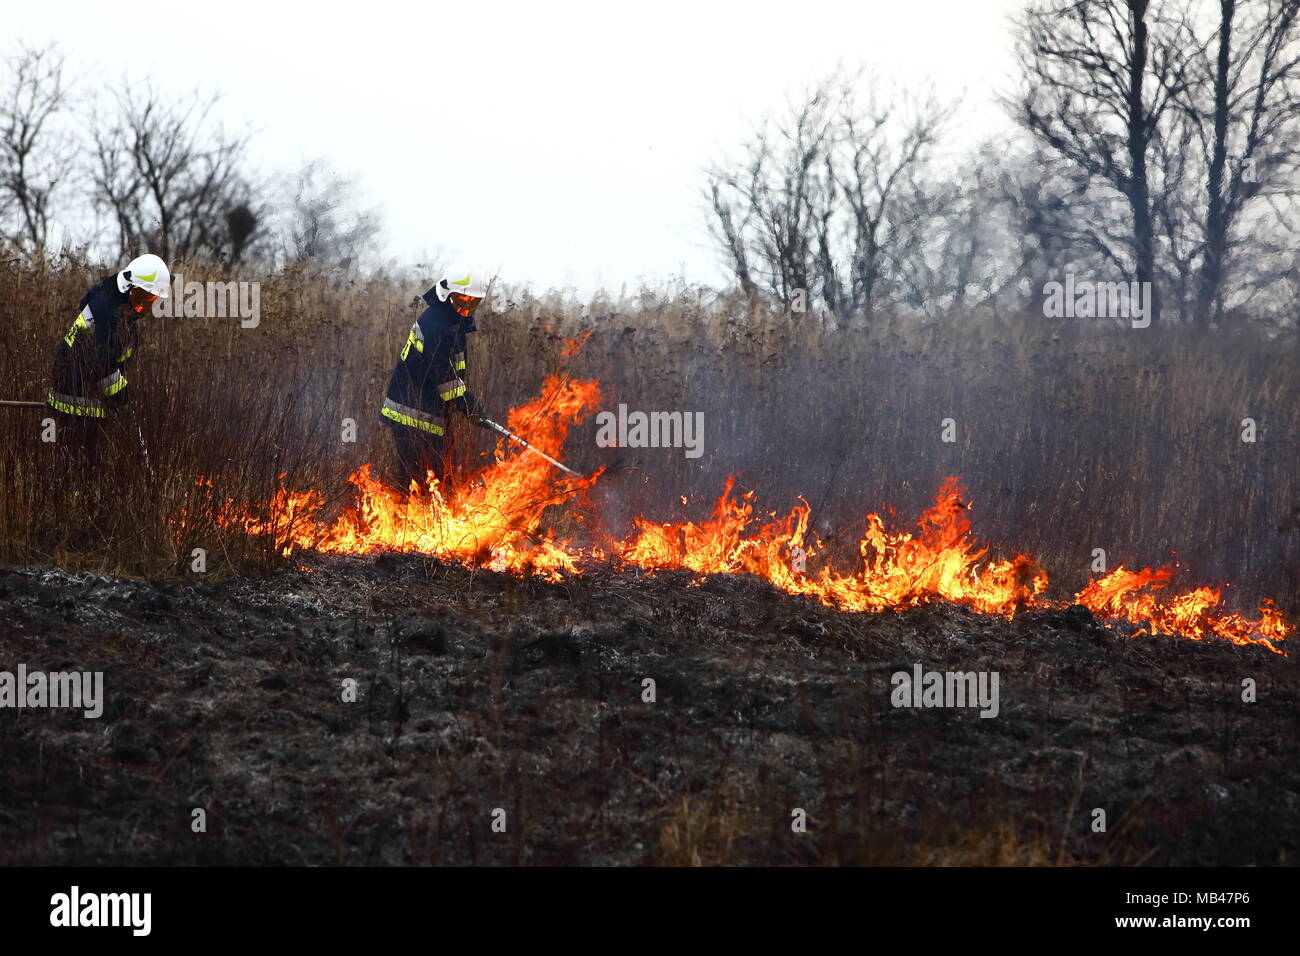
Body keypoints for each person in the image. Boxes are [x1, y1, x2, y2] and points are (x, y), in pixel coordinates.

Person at [47, 253, 171, 464]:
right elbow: (101, 365)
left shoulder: (117, 304)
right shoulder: (107, 310)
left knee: (87, 466)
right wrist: (122, 399)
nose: (143, 307)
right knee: (81, 465)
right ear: (128, 287)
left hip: (86, 396)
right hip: (77, 398)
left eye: (150, 301)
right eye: (141, 298)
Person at [380, 261, 489, 494]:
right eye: (462, 300)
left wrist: (465, 405)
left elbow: (450, 373)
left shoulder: (453, 323)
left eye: (473, 303)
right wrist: (469, 405)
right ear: (446, 292)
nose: (467, 308)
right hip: (411, 409)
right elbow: (442, 375)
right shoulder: (436, 325)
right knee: (428, 481)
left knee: (435, 477)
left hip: (430, 410)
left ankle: (417, 522)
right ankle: (405, 524)